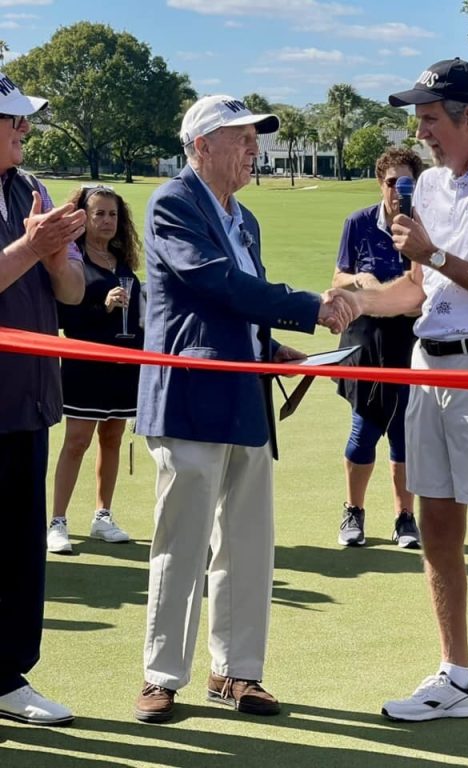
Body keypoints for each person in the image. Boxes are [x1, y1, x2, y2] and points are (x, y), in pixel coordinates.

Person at [343, 58, 468, 740]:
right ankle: (457, 676)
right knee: (436, 528)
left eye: (432, 118)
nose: (423, 131)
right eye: (421, 119)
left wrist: (432, 257)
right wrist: (354, 303)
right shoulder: (429, 184)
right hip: (428, 364)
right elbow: (416, 290)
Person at [134, 95, 356, 724]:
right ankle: (161, 676)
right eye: (242, 138)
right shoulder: (172, 202)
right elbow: (215, 284)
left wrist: (283, 350)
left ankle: (237, 672)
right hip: (190, 399)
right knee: (183, 542)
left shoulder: (246, 219)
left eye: (255, 138)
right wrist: (308, 305)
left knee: (248, 542)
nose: (254, 149)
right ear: (201, 145)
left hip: (244, 400)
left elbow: (239, 312)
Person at [0, 75, 86, 725]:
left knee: (19, 550)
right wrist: (33, 246)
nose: (24, 129)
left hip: (29, 397)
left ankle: (7, 677)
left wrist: (55, 256)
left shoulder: (31, 189)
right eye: (13, 121)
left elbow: (73, 294)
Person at [332, 147, 422, 548]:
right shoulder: (358, 223)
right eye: (392, 183)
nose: (398, 192)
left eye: (407, 184)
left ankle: (405, 518)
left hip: (411, 340)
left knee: (405, 432)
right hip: (366, 340)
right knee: (363, 430)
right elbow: (337, 278)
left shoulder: (423, 224)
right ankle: (354, 512)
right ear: (379, 183)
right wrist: (361, 281)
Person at [47, 186, 144, 555]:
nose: (106, 221)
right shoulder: (73, 261)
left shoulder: (123, 265)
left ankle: (102, 516)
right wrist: (101, 307)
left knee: (112, 439)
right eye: (99, 213)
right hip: (84, 367)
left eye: (113, 215)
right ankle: (57, 521)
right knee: (77, 442)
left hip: (124, 366)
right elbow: (65, 319)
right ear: (82, 217)